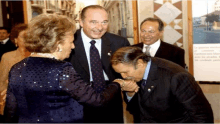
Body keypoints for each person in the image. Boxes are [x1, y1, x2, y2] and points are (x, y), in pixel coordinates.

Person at [3, 14, 138, 123]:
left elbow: (10, 109)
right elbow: (97, 100)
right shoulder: (62, 70)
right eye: (71, 42)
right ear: (58, 44)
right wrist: (117, 83)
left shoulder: (18, 67)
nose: (73, 46)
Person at [110, 46, 214, 123]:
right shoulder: (137, 74)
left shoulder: (176, 77)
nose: (123, 76)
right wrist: (130, 92)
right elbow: (137, 110)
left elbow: (202, 114)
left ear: (140, 63)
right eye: (120, 73)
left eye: (125, 72)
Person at [67, 5, 130, 123]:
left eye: (104, 22)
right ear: (81, 22)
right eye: (93, 22)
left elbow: (130, 73)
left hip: (111, 96)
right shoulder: (69, 42)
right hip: (78, 100)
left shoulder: (119, 42)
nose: (100, 27)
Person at [0, 24, 30, 117]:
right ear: (15, 39)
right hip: (14, 103)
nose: (27, 39)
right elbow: (1, 81)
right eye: (23, 37)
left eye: (29, 36)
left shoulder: (37, 56)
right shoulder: (7, 57)